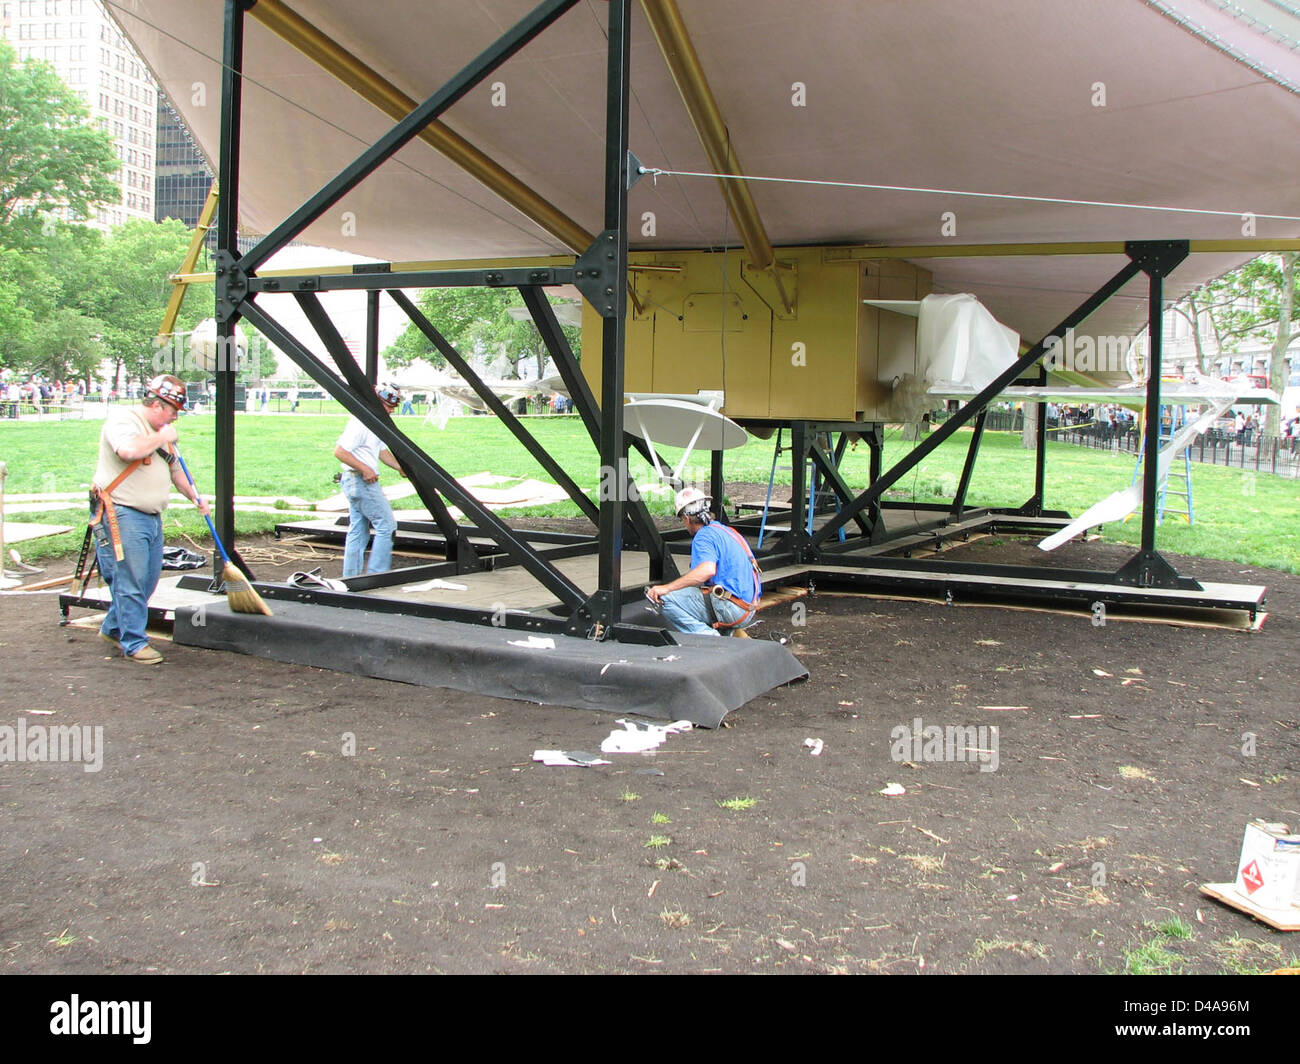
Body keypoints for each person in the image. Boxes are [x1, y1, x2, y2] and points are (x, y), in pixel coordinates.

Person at [90, 374, 209, 664]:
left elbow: (176, 470)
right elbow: (128, 451)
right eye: (173, 411)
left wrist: (194, 496)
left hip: (151, 516)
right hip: (122, 511)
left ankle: (113, 628)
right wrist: (161, 437)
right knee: (131, 579)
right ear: (157, 405)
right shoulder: (124, 421)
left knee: (148, 579)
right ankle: (134, 642)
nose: (175, 418)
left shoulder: (162, 432)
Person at [646, 487, 762, 636]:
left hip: (733, 608)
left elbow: (706, 571)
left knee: (663, 598)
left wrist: (667, 588)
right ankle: (727, 636)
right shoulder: (725, 531)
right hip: (749, 607)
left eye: (682, 520)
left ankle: (710, 639)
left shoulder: (703, 537)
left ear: (687, 519)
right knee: (706, 591)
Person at [333, 383, 407, 578]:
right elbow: (340, 451)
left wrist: (399, 467)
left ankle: (351, 577)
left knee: (358, 529)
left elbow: (381, 450)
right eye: (388, 405)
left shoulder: (373, 422)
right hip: (361, 481)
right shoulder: (361, 423)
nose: (391, 410)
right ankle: (377, 575)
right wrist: (365, 468)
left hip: (352, 481)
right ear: (376, 401)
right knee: (387, 525)